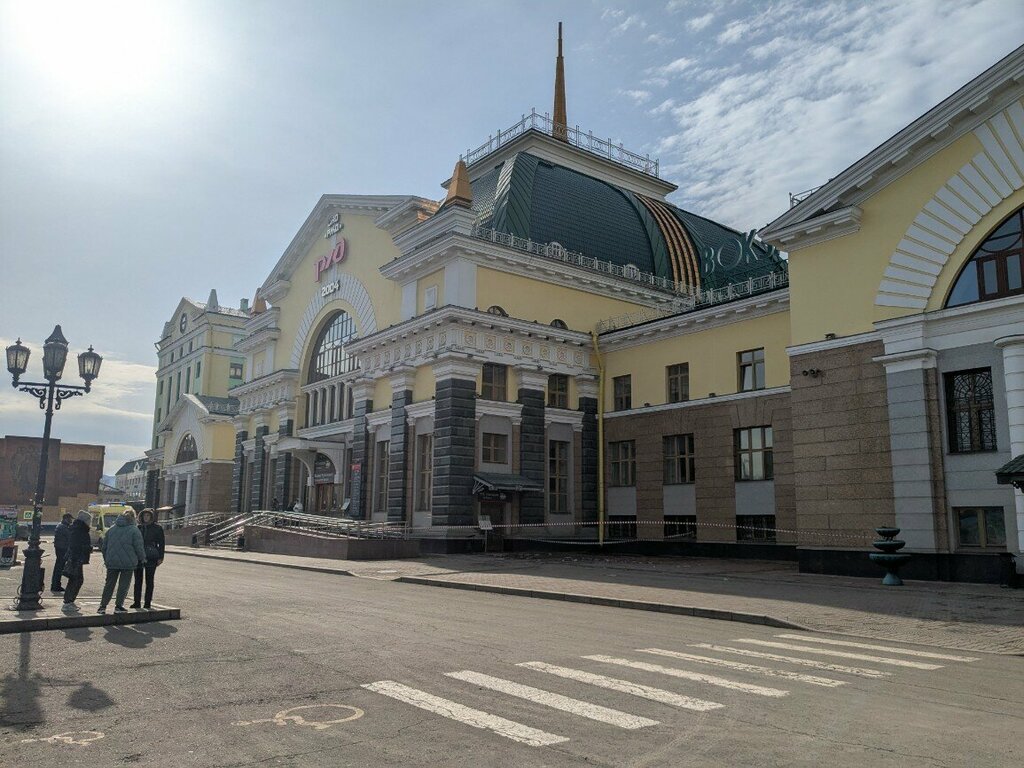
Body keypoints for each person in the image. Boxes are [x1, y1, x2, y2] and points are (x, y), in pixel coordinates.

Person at [97, 508, 145, 614]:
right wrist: (142, 558)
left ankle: (102, 606)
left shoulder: (111, 529)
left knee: (109, 584)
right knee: (123, 585)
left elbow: (104, 547)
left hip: (112, 563)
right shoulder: (134, 530)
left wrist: (107, 559)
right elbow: (139, 547)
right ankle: (118, 606)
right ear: (133, 518)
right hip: (128, 563)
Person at [131, 508, 165, 610]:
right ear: (141, 517)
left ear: (151, 517)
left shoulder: (157, 528)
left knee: (149, 580)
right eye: (144, 516)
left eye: (148, 516)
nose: (146, 518)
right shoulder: (138, 527)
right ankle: (137, 602)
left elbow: (161, 543)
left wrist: (161, 557)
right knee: (138, 580)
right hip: (138, 557)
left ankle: (147, 602)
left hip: (151, 557)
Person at [61, 510, 93, 613]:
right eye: (89, 520)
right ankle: (68, 602)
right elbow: (77, 545)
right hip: (77, 558)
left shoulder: (76, 528)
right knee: (77, 580)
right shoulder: (80, 530)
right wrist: (87, 548)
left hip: (75, 558)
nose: (90, 523)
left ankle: (68, 601)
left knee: (75, 579)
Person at [50, 512, 74, 593]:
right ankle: (55, 585)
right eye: (70, 519)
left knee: (59, 567)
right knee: (59, 567)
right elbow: (69, 536)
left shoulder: (61, 526)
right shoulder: (63, 527)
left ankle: (56, 584)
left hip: (60, 548)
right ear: (66, 519)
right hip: (62, 549)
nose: (71, 521)